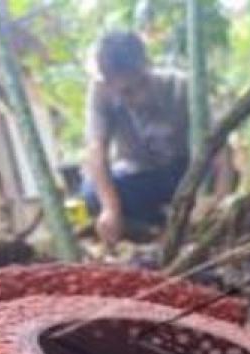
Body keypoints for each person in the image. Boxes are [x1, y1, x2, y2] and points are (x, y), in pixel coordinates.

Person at [83, 31, 225, 246]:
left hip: (186, 172)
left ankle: (188, 220)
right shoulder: (101, 93)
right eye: (126, 92)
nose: (137, 96)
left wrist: (218, 199)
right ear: (108, 84)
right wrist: (110, 209)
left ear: (147, 65)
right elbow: (96, 151)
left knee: (213, 176)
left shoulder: (183, 86)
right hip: (143, 176)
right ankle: (157, 229)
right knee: (92, 191)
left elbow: (221, 149)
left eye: (142, 83)